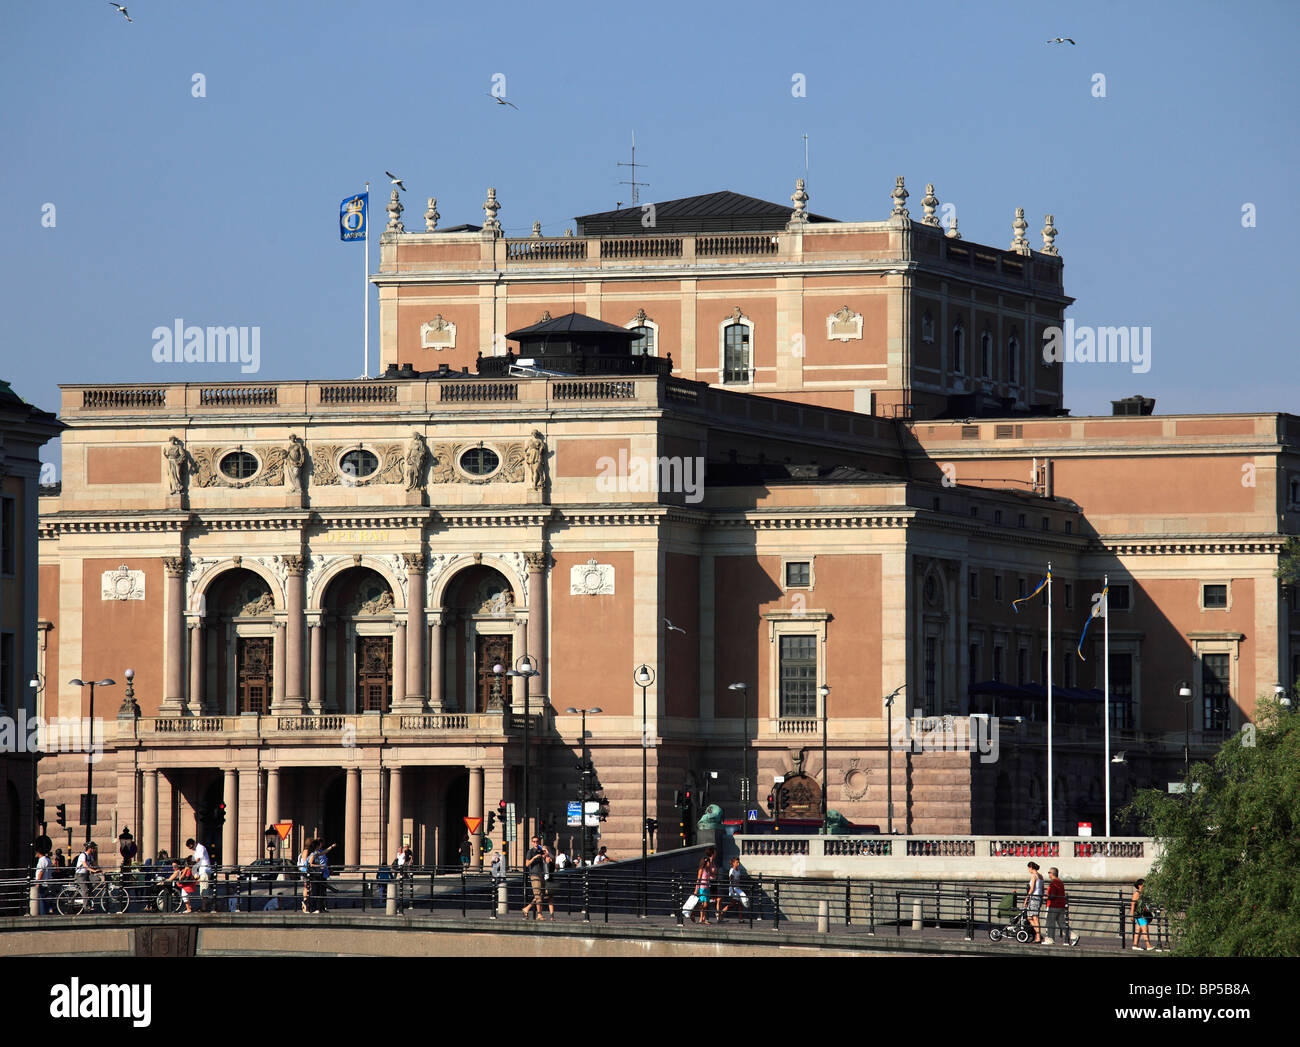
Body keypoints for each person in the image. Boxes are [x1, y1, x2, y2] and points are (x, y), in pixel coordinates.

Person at [1044, 867, 1079, 946]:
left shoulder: (1053, 883)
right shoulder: (1060, 882)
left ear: (1052, 873)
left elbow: (1052, 895)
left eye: (1049, 872)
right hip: (1061, 905)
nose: (1048, 874)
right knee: (1062, 923)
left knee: (1050, 922)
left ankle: (1050, 939)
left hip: (1053, 905)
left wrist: (1046, 898)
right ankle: (1074, 936)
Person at [521, 836, 546, 920]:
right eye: (534, 842)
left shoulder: (541, 851)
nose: (536, 843)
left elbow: (549, 860)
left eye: (537, 841)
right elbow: (527, 864)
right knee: (538, 895)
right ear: (532, 842)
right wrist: (534, 858)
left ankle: (526, 908)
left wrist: (545, 855)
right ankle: (539, 915)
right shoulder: (530, 852)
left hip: (541, 874)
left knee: (541, 895)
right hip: (534, 875)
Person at [73, 842, 101, 914]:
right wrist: (93, 870)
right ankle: (86, 907)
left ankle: (89, 893)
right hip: (80, 875)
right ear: (90, 848)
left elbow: (94, 864)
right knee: (85, 890)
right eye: (93, 848)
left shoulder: (90, 856)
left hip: (86, 875)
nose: (94, 849)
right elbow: (85, 865)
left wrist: (100, 870)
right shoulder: (83, 855)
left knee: (97, 879)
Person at [187, 838, 211, 912]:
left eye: (191, 847)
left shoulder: (200, 848)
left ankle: (204, 907)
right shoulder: (197, 850)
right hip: (202, 871)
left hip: (205, 870)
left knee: (204, 889)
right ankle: (204, 906)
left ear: (193, 844)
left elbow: (197, 860)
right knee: (202, 889)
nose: (191, 849)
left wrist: (191, 865)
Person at [1024, 861, 1044, 943]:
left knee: (1034, 918)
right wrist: (1042, 898)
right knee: (1031, 917)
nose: (1028, 870)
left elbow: (1032, 889)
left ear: (1031, 868)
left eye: (1028, 868)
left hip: (1034, 898)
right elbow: (1042, 889)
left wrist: (1026, 898)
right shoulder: (1041, 876)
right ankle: (1038, 934)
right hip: (1039, 897)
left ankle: (1038, 936)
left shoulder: (1034, 876)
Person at [1131, 878, 1153, 950]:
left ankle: (1135, 945)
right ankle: (1148, 946)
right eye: (1144, 885)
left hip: (1141, 914)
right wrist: (1132, 915)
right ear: (1139, 886)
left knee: (1138, 930)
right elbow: (1133, 904)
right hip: (1140, 914)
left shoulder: (1143, 894)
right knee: (1145, 929)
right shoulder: (1137, 894)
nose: (1145, 887)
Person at [692, 854, 714, 924]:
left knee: (705, 904)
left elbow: (710, 876)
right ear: (705, 863)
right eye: (708, 862)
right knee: (704, 905)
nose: (709, 864)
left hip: (707, 888)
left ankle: (702, 918)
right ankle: (694, 912)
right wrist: (696, 889)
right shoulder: (701, 870)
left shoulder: (708, 870)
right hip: (702, 888)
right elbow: (698, 880)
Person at [34, 844, 53, 915]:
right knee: (46, 898)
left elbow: (40, 872)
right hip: (47, 881)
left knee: (42, 898)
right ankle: (49, 910)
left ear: (39, 853)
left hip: (42, 882)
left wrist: (38, 882)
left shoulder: (41, 860)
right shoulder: (48, 860)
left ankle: (43, 913)